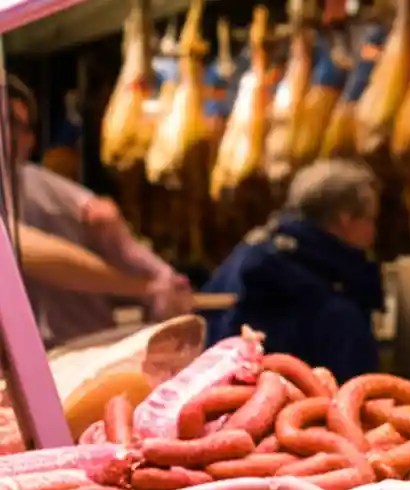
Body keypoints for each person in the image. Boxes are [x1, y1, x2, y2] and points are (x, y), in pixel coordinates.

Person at [6, 75, 191, 347]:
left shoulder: (32, 182)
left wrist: (162, 277)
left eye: (13, 123)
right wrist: (143, 286)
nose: (5, 133)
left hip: (69, 345)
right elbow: (22, 247)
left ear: (30, 140)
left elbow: (104, 217)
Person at [203, 159, 383, 382]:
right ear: (345, 219)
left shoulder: (246, 254)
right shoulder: (334, 300)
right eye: (370, 220)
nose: (373, 233)